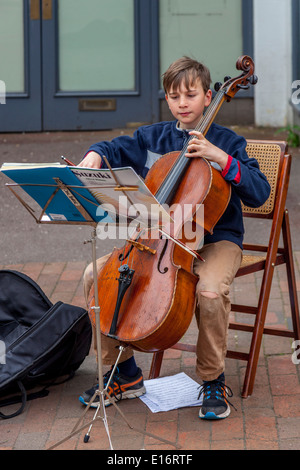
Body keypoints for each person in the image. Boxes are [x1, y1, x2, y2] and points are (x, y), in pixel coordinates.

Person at [78, 56, 270, 420]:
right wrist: (95, 154)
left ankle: (212, 378)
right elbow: (112, 147)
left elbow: (260, 192)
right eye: (174, 96)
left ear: (209, 96)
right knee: (94, 276)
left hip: (216, 240)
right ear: (167, 99)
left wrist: (221, 159)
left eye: (190, 95)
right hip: (157, 242)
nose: (182, 103)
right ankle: (124, 373)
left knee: (210, 291)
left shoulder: (229, 140)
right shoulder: (153, 138)